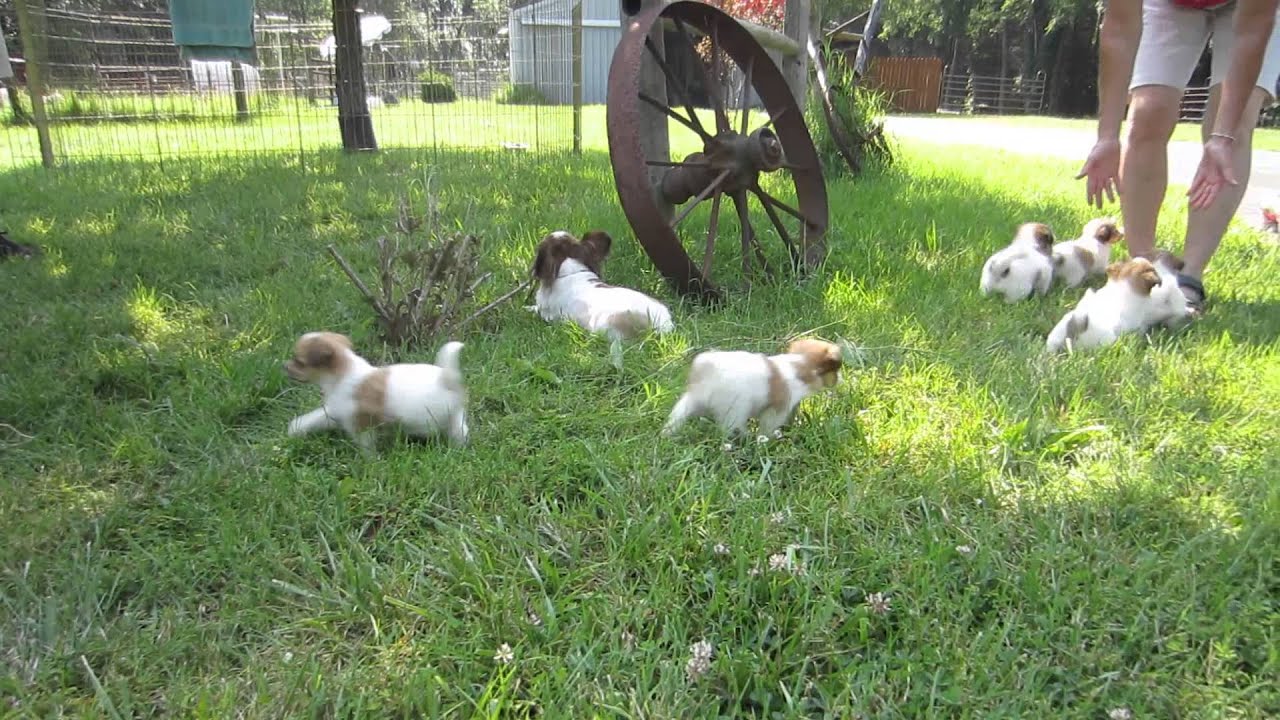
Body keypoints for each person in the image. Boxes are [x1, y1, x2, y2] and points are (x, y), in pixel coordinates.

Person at [1077, 0, 1280, 312]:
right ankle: (1141, 268)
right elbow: (1119, 30)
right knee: (1148, 111)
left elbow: (1252, 31)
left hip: (1248, 8)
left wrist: (1222, 137)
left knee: (1235, 123)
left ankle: (1190, 278)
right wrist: (1106, 138)